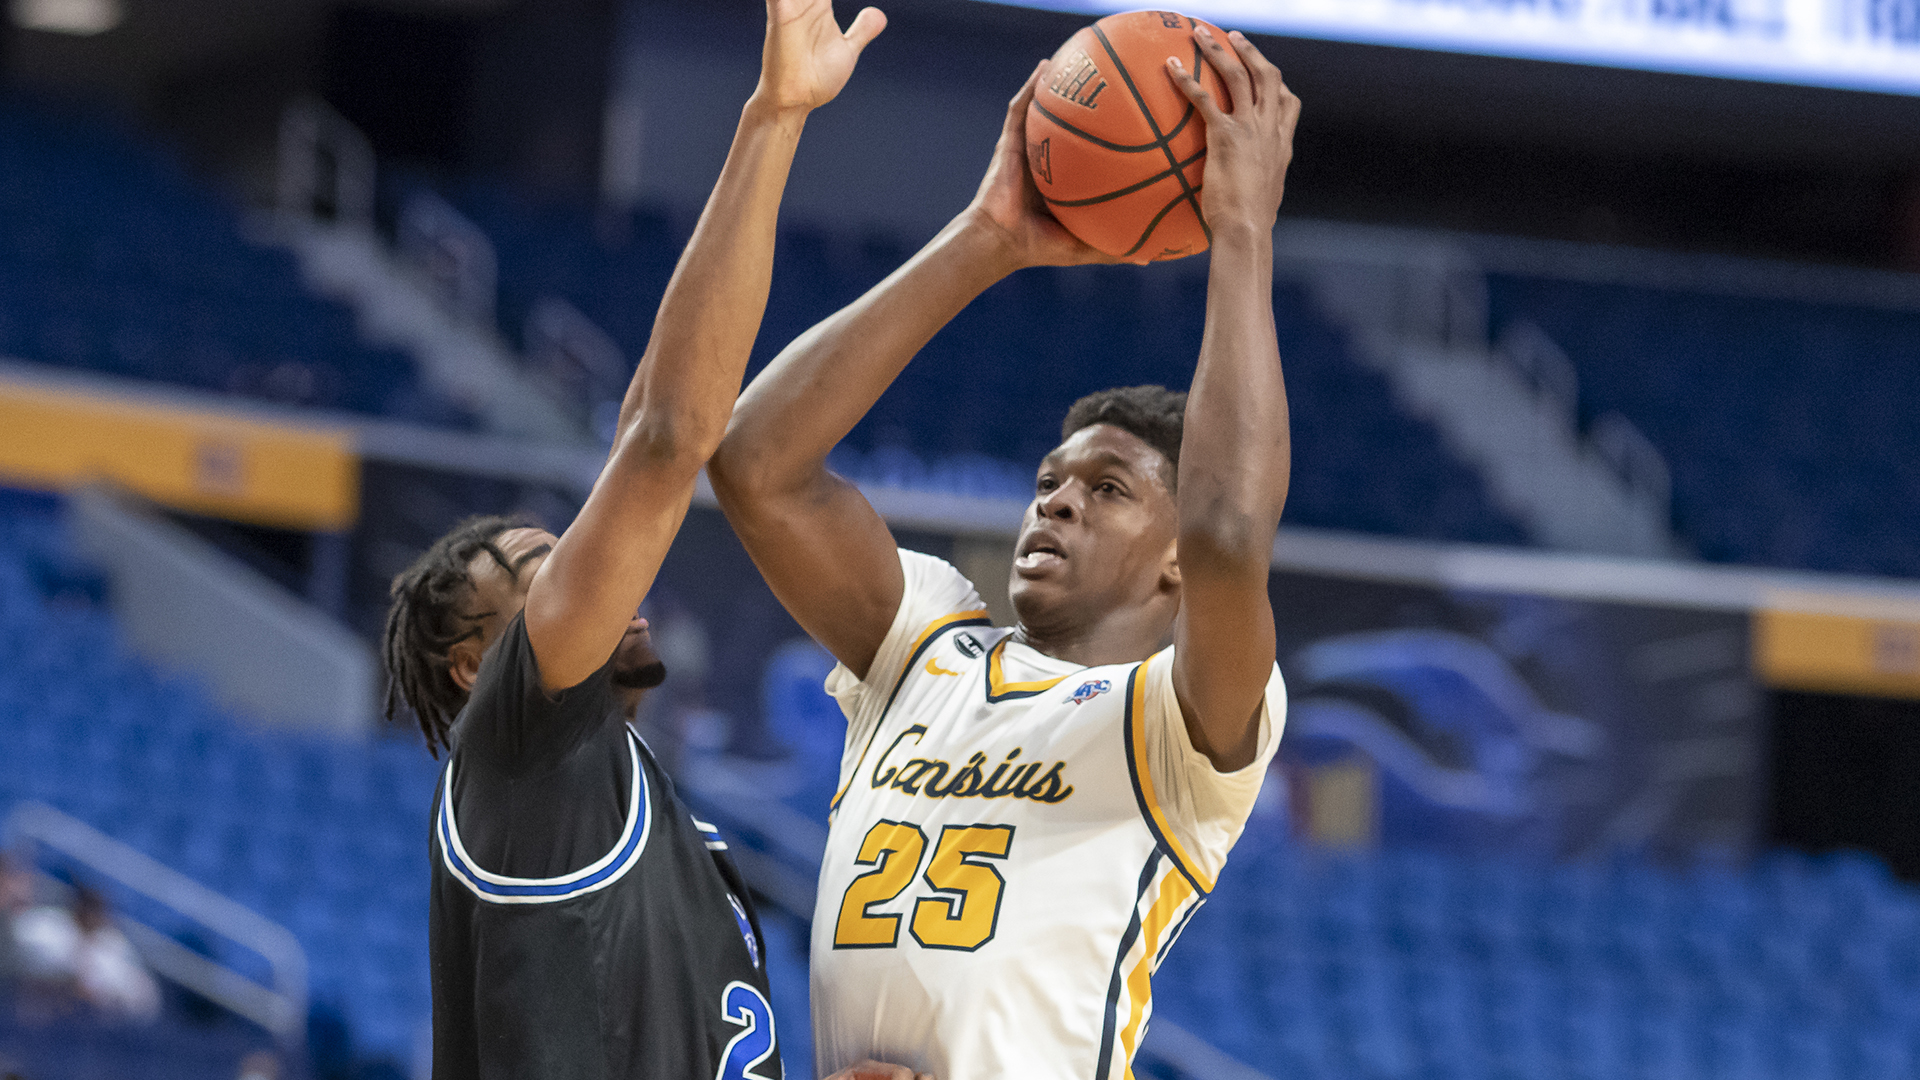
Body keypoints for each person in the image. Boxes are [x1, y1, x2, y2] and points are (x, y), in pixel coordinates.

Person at [708, 24, 1300, 1080]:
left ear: (1170, 563)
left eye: (1107, 490)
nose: (1058, 505)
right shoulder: (924, 643)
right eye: (1049, 484)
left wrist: (1243, 232)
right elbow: (755, 466)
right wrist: (986, 236)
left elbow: (1226, 535)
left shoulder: (1181, 724)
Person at [377, 3, 926, 1077]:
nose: (608, 576)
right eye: (544, 578)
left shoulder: (601, 786)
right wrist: (773, 118)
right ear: (477, 666)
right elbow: (669, 439)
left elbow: (647, 429)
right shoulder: (520, 753)